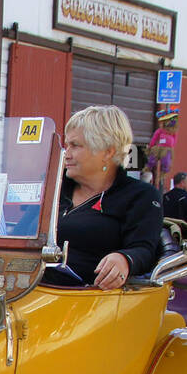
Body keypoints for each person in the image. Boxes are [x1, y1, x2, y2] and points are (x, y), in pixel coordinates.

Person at [48, 105, 163, 288]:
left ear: (108, 152)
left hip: (87, 300)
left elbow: (144, 249)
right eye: (66, 145)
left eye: (75, 146)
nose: (66, 154)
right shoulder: (52, 190)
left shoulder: (140, 196)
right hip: (30, 290)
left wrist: (124, 259)